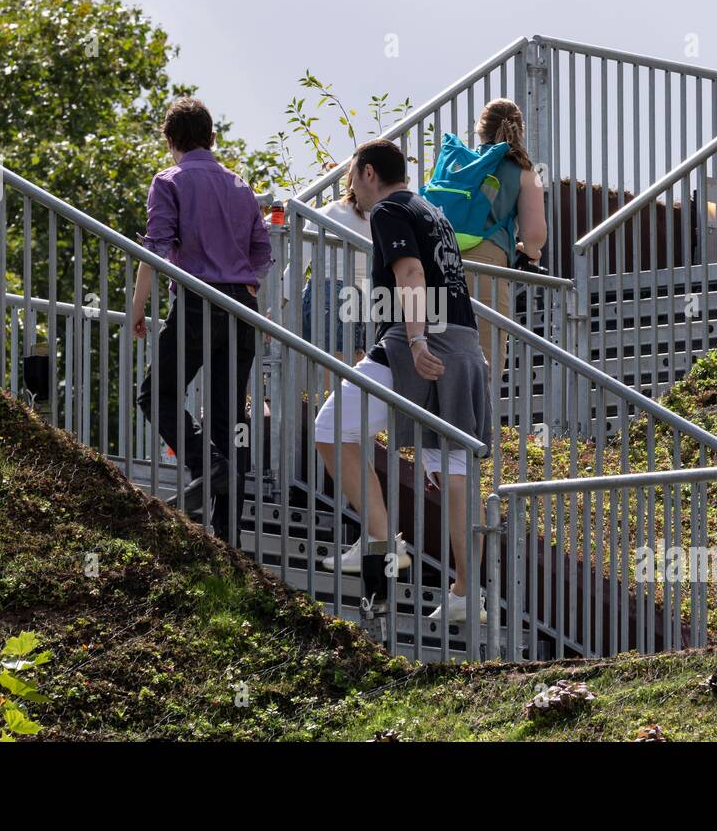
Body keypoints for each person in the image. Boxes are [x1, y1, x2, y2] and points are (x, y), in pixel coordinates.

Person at [314, 139, 491, 623]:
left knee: (330, 429)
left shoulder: (389, 211)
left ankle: (380, 537)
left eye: (353, 176)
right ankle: (463, 592)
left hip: (417, 342)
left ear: (369, 173)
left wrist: (416, 342)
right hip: (462, 344)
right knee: (454, 473)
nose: (351, 188)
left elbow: (411, 272)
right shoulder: (430, 210)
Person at [130, 98, 271, 546]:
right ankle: (228, 533)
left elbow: (155, 247)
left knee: (155, 394)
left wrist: (138, 307)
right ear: (213, 137)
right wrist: (244, 287)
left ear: (170, 141)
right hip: (240, 308)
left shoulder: (168, 180)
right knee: (232, 416)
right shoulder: (239, 186)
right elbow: (262, 253)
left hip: (196, 302)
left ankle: (205, 463)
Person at [458, 98, 547, 363]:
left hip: (438, 264)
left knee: (439, 359)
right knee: (484, 362)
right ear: (520, 130)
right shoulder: (524, 172)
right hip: (487, 268)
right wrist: (529, 252)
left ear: (479, 130)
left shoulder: (460, 161)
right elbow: (534, 235)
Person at [282, 166, 370, 356]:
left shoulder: (323, 212)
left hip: (315, 296)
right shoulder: (380, 216)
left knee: (325, 373)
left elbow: (297, 264)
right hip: (347, 298)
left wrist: (276, 307)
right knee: (345, 372)